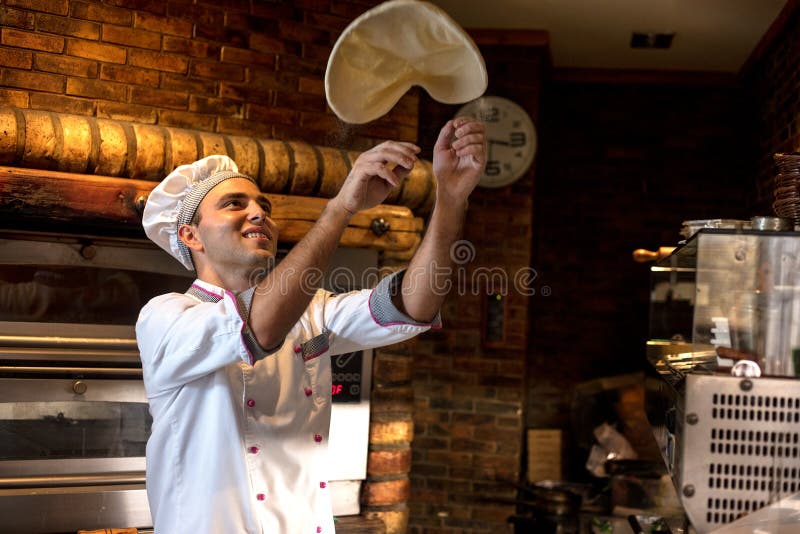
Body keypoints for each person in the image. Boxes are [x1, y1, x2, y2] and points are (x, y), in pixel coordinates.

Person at [136, 117, 485, 533]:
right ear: (191, 236)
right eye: (234, 204)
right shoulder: (165, 316)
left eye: (263, 206)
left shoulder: (310, 312)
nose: (258, 213)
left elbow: (414, 304)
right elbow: (257, 328)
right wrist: (341, 208)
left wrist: (450, 199)